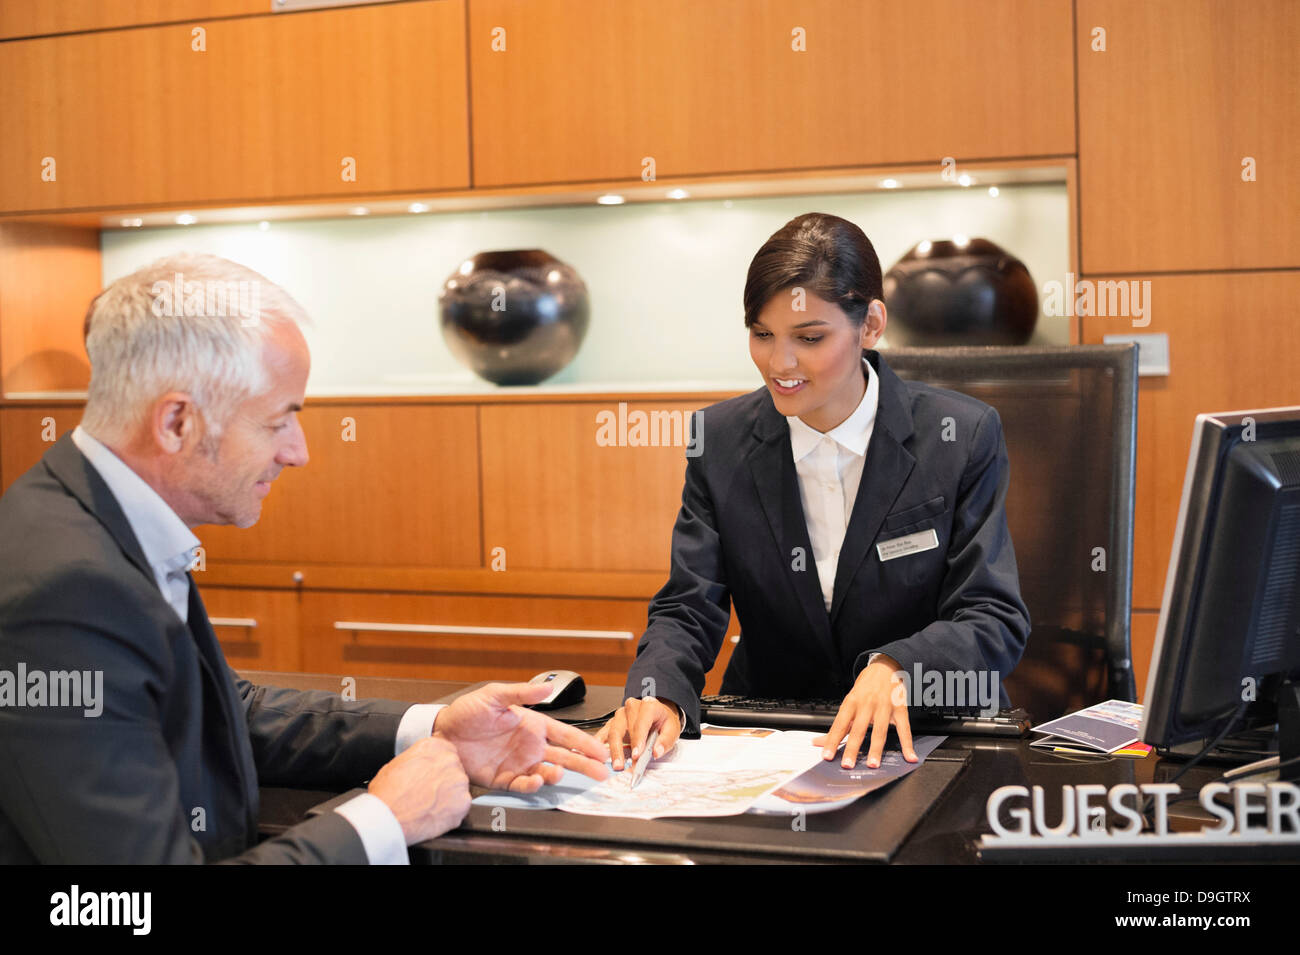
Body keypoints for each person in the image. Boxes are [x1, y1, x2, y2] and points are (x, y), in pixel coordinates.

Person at [0, 253, 608, 864]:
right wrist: (382, 821)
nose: (299, 452)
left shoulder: (95, 519)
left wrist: (435, 728)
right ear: (177, 421)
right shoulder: (65, 592)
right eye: (278, 421)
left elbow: (224, 713)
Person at [599, 213, 1030, 772]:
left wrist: (897, 669)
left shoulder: (960, 436)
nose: (780, 364)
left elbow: (993, 615)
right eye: (762, 335)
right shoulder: (721, 440)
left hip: (929, 735)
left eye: (809, 338)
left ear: (871, 324)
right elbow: (690, 604)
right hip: (774, 734)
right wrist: (658, 691)